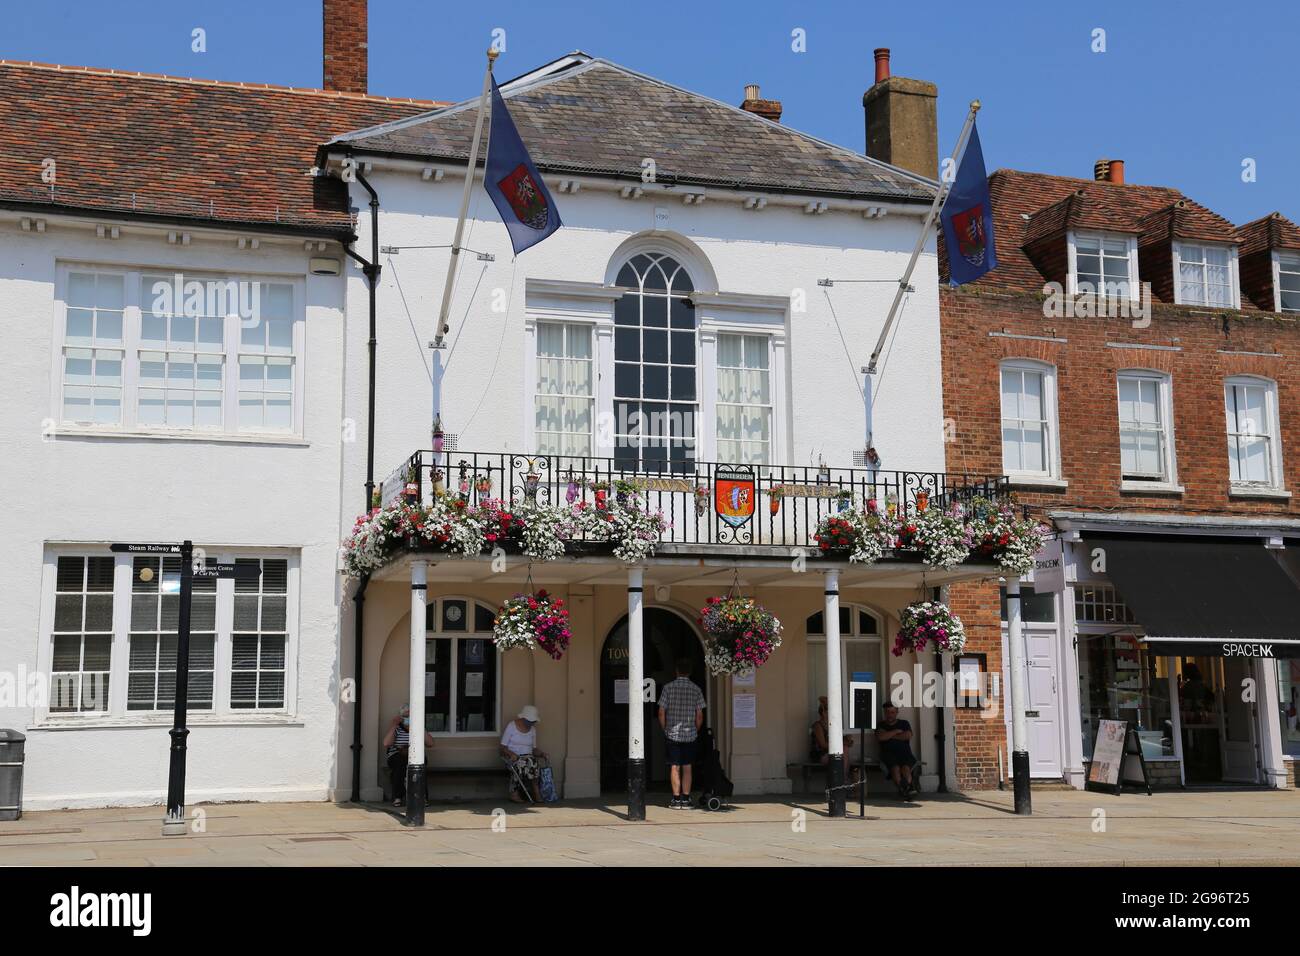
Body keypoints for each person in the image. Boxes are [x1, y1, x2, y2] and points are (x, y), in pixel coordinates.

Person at [658, 657, 705, 809]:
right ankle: (686, 799)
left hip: (672, 734)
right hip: (690, 734)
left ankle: (675, 799)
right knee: (687, 767)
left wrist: (665, 728)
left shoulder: (668, 688)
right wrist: (695, 729)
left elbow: (661, 712)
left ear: (676, 671)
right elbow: (699, 715)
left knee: (674, 766)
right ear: (689, 672)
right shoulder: (696, 689)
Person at [382, 704, 435, 807]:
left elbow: (430, 743)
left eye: (411, 716)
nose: (408, 719)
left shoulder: (418, 729)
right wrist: (394, 725)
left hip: (414, 754)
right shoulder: (397, 728)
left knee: (421, 763)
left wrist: (419, 726)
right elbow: (386, 743)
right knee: (399, 764)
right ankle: (398, 797)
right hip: (397, 754)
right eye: (406, 717)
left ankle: (421, 796)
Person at [500, 705, 547, 803]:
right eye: (530, 721)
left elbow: (534, 749)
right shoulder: (512, 726)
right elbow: (502, 747)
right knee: (521, 764)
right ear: (524, 718)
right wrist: (511, 754)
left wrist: (542, 753)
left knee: (534, 764)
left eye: (533, 721)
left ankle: (536, 793)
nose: (532, 723)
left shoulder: (533, 730)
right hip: (512, 757)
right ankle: (514, 794)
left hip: (528, 758)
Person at [876, 703, 918, 799]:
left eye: (892, 712)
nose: (890, 714)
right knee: (895, 769)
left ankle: (906, 789)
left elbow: (907, 735)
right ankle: (906, 790)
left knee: (906, 769)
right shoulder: (881, 724)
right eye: (887, 712)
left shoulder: (904, 723)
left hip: (905, 754)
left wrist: (889, 736)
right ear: (884, 713)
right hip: (888, 755)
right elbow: (881, 737)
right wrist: (896, 732)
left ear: (896, 712)